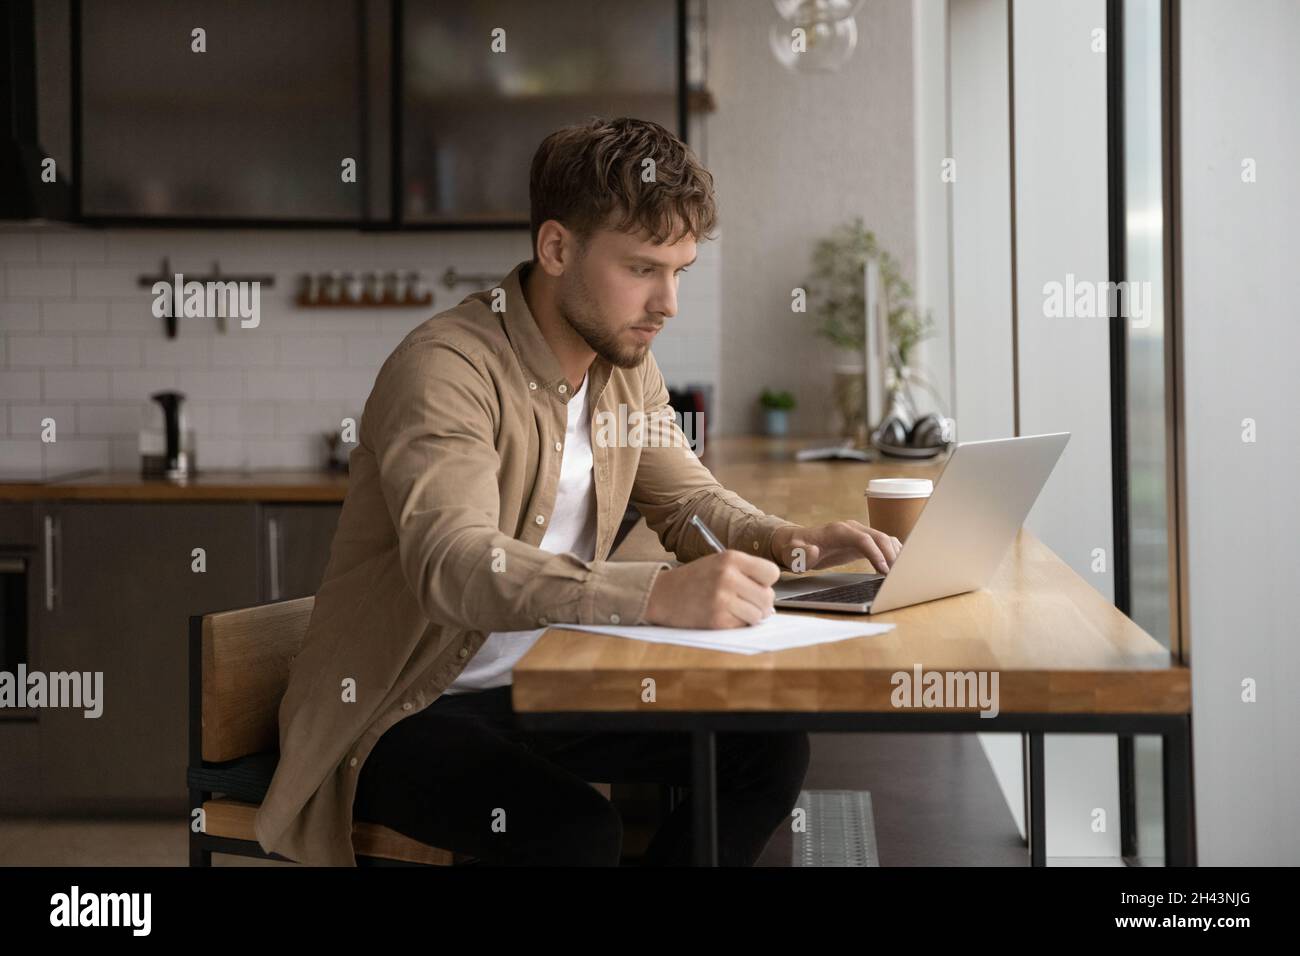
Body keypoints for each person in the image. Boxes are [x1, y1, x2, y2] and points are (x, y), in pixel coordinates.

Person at [254, 116, 902, 867]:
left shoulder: (624, 369)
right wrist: (655, 596)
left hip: (540, 692)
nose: (668, 302)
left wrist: (796, 539)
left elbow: (689, 502)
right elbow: (453, 564)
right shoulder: (446, 370)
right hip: (401, 713)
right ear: (556, 248)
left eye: (680, 271)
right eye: (642, 269)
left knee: (766, 749)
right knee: (574, 831)